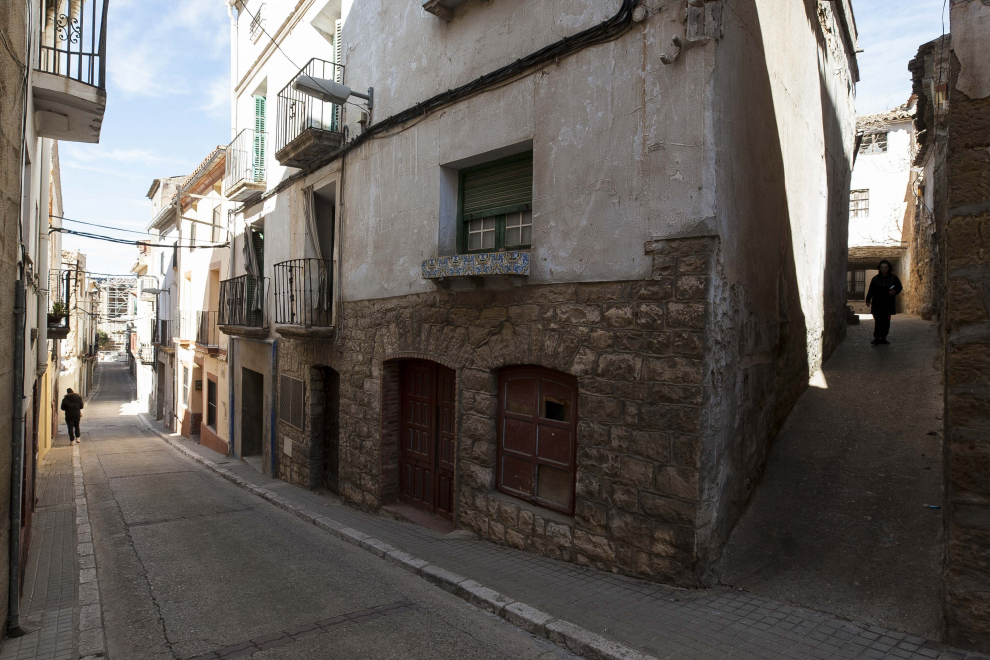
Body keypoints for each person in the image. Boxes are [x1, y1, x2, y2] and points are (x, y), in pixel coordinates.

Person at [865, 259, 903, 345]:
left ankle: (883, 337)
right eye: (882, 267)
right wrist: (868, 300)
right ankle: (876, 337)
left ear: (889, 268)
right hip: (877, 303)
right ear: (880, 268)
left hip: (888, 303)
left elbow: (899, 287)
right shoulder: (875, 279)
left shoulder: (893, 278)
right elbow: (871, 290)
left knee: (886, 321)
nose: (884, 269)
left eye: (886, 267)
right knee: (877, 320)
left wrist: (895, 291)